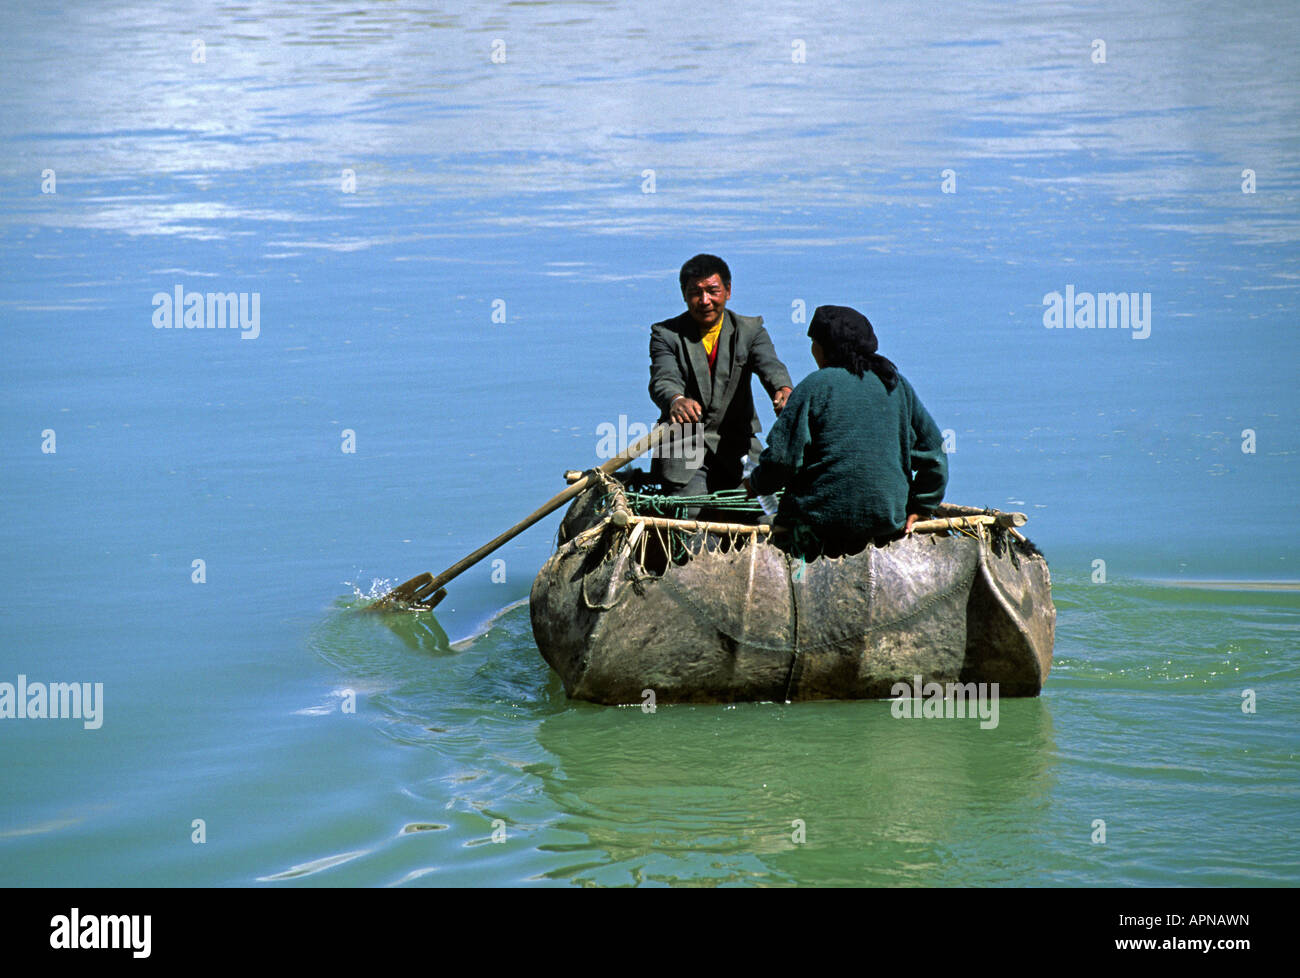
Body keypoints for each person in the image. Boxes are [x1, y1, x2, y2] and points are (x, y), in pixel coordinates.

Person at [748, 304, 948, 557]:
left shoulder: (814, 387)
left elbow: (780, 461)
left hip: (817, 523)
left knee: (758, 525)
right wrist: (923, 505)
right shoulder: (895, 383)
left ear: (824, 348)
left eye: (814, 343)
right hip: (887, 520)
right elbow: (935, 454)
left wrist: (755, 484)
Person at [649, 254, 793, 500]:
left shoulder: (750, 330)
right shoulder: (665, 334)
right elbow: (663, 378)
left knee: (765, 514)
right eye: (695, 292)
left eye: (712, 291)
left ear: (727, 290)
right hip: (684, 452)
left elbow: (771, 366)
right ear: (684, 294)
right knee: (689, 517)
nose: (704, 300)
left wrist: (783, 389)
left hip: (738, 449)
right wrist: (676, 400)